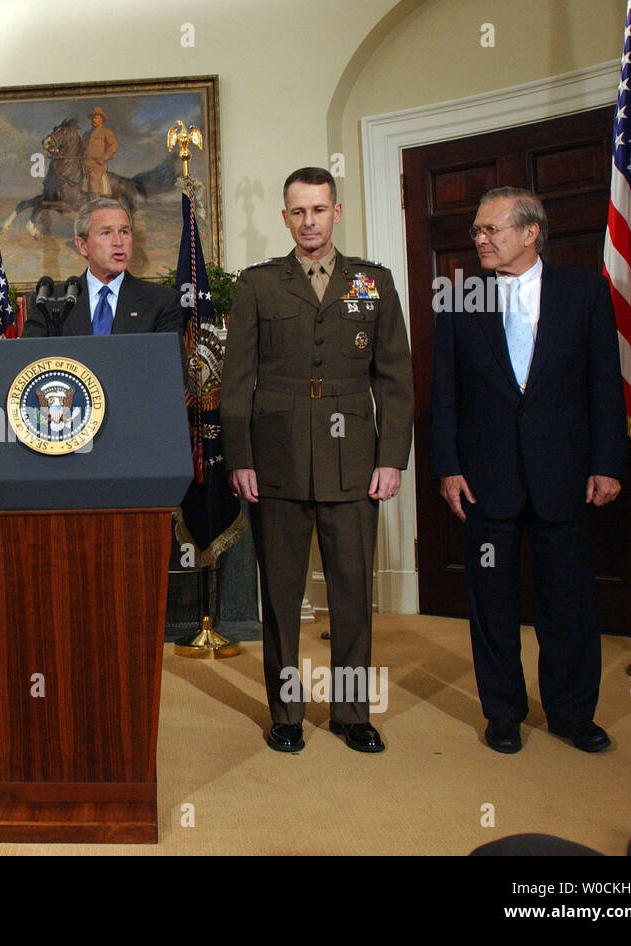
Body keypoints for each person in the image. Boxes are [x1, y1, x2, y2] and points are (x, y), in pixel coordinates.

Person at [220, 167, 414, 754]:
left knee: (353, 592)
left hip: (354, 459)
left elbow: (396, 379)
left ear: (336, 212)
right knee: (279, 597)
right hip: (275, 462)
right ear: (285, 218)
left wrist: (391, 458)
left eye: (319, 210)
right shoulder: (258, 285)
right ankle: (286, 713)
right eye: (298, 212)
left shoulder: (372, 284)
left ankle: (353, 713)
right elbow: (236, 382)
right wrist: (241, 458)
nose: (309, 221)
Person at [431, 187, 625, 754]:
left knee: (568, 603)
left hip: (563, 476)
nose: (480, 240)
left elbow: (603, 389)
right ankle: (504, 714)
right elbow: (445, 394)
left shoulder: (584, 293)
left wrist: (608, 463)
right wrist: (448, 467)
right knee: (491, 604)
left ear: (531, 231)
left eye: (491, 230)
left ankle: (570, 713)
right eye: (476, 232)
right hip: (485, 479)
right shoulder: (459, 300)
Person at [21, 198, 181, 338]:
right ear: (82, 246)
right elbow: (27, 364)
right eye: (106, 233)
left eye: (124, 231)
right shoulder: (50, 302)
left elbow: (169, 368)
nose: (118, 242)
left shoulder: (161, 302)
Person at [82, 107, 119, 199]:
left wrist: (103, 158)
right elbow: (81, 147)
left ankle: (95, 203)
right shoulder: (86, 134)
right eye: (93, 118)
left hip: (97, 163)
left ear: (102, 119)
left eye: (97, 118)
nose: (95, 120)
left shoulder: (106, 132)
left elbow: (114, 146)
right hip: (84, 162)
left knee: (93, 179)